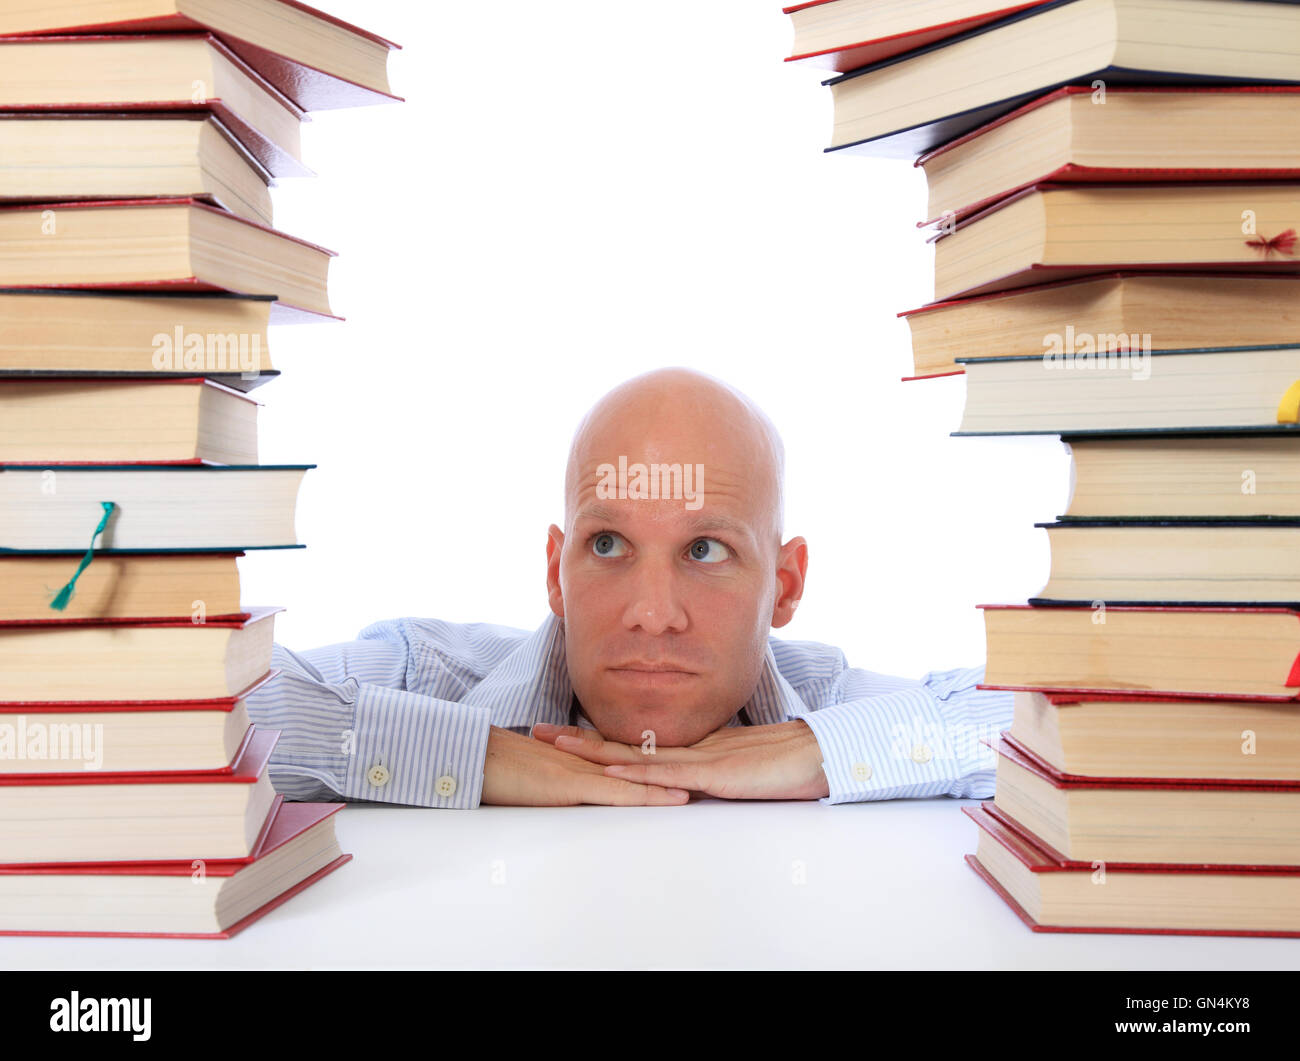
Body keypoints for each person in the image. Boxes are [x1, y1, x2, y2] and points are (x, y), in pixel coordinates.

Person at [245, 368, 1010, 807]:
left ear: (784, 584)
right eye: (608, 544)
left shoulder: (831, 702)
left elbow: (1063, 715)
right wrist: (472, 755)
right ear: (556, 571)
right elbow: (206, 700)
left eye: (705, 549)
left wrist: (825, 753)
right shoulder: (430, 676)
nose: (652, 615)